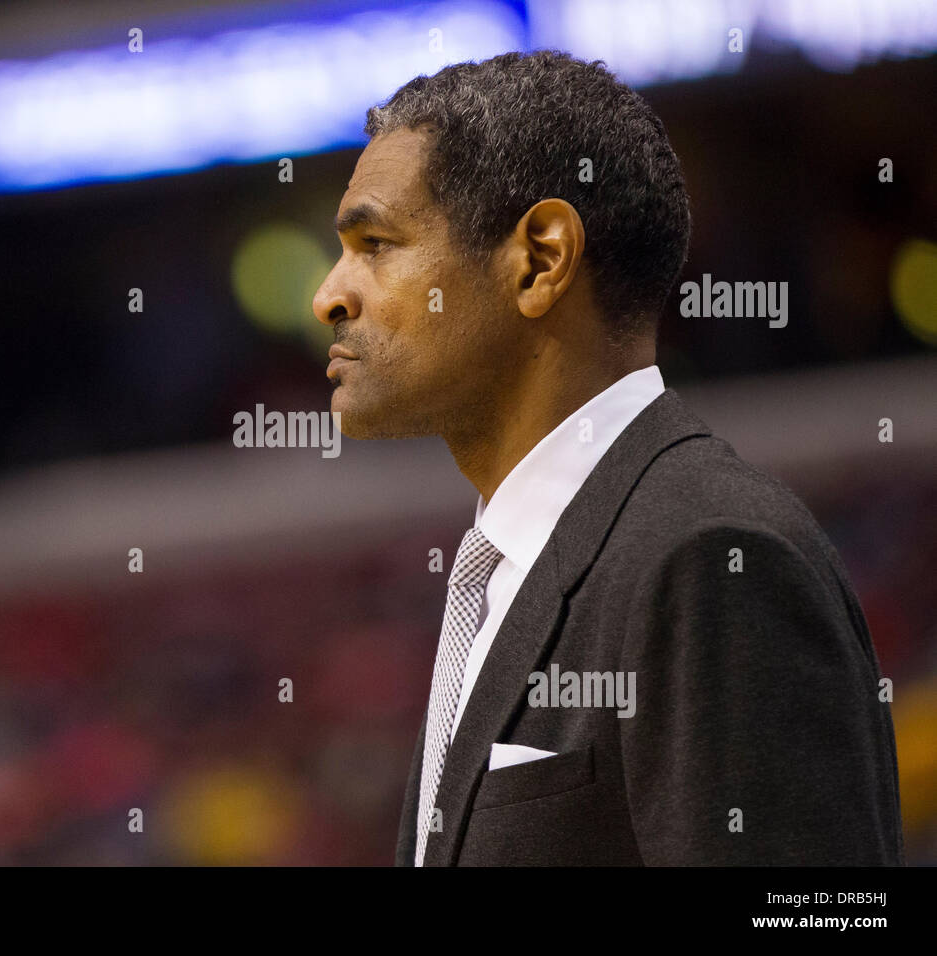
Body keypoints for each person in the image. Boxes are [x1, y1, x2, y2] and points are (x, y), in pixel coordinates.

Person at [311, 50, 903, 866]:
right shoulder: (506, 566)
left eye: (376, 243)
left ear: (541, 260)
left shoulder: (712, 555)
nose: (329, 295)